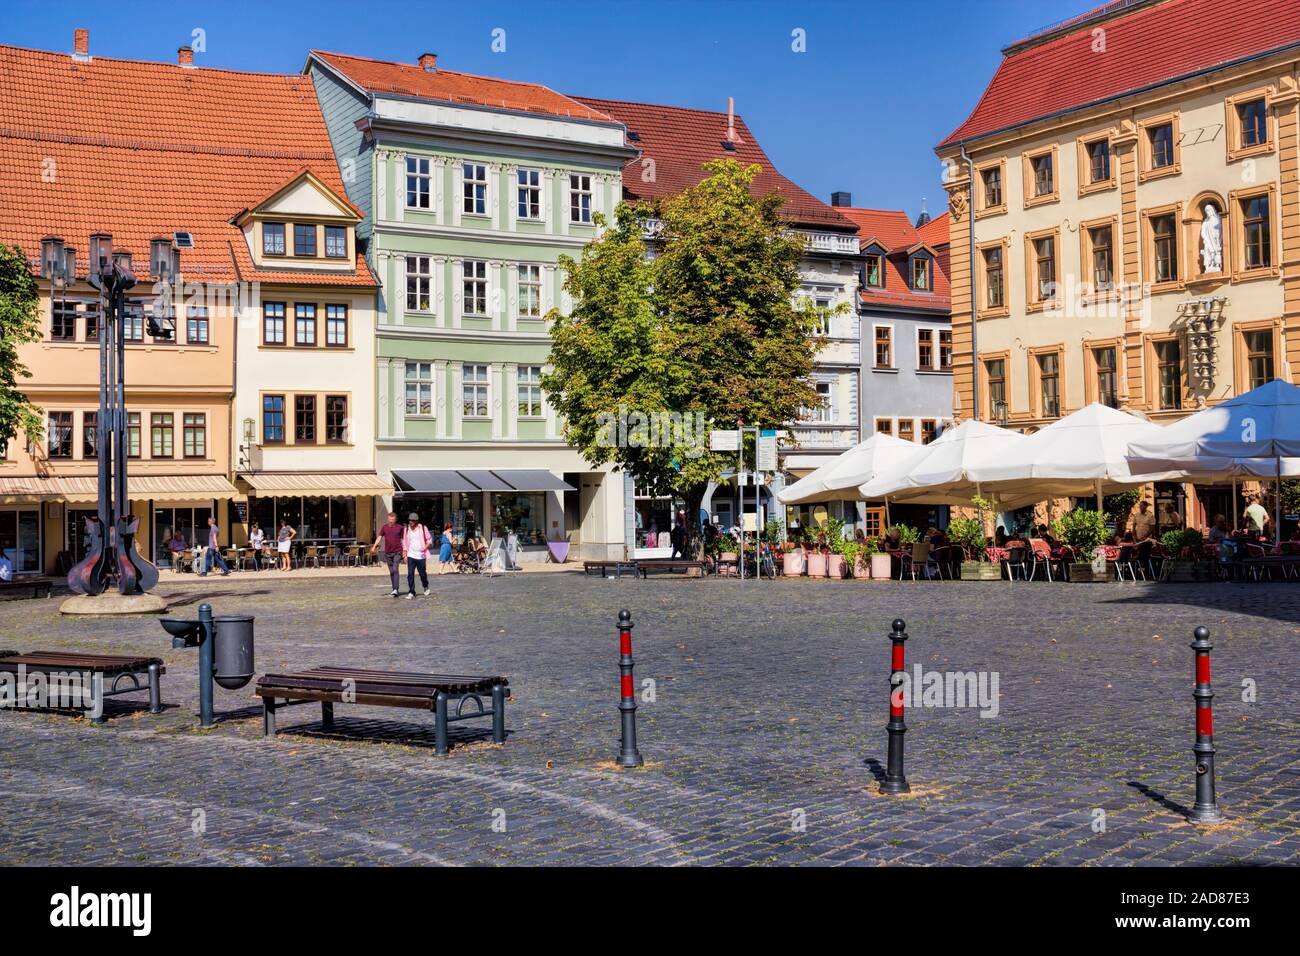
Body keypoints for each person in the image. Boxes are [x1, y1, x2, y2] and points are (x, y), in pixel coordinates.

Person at [370, 511, 405, 596]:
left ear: (395, 519)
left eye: (392, 520)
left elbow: (404, 539)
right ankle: (394, 589)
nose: (391, 521)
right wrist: (374, 546)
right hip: (388, 552)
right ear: (388, 519)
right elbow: (379, 537)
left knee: (395, 569)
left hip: (397, 551)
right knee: (391, 571)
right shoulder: (384, 527)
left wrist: (405, 550)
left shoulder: (400, 528)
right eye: (389, 520)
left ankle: (396, 589)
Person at [403, 512, 432, 599]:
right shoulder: (406, 529)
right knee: (410, 574)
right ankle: (412, 592)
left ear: (416, 521)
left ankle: (425, 586)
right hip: (411, 555)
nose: (410, 522)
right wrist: (405, 555)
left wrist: (425, 547)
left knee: (422, 574)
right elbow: (404, 542)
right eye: (409, 520)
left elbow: (429, 540)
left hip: (421, 555)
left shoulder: (423, 528)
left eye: (412, 520)